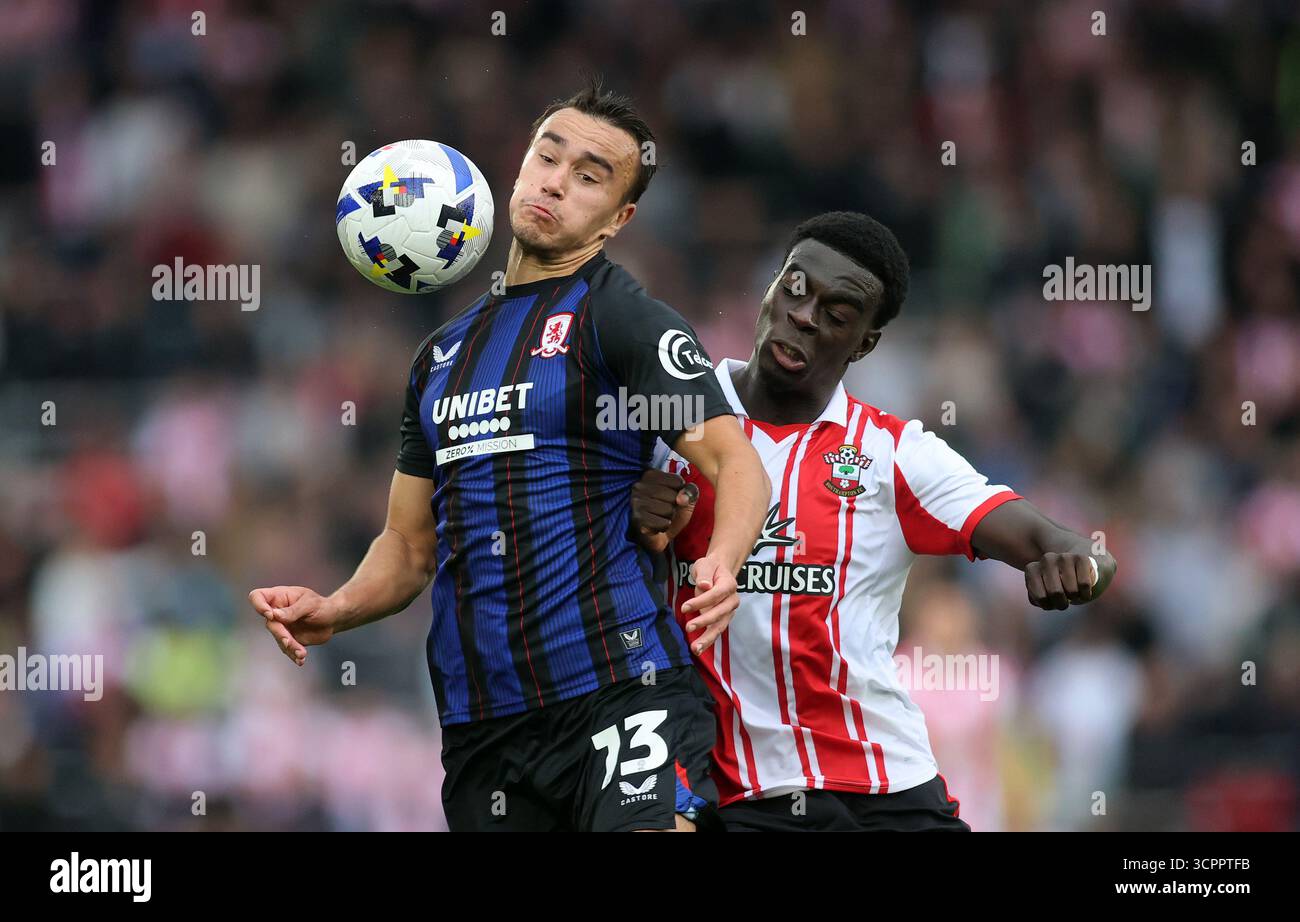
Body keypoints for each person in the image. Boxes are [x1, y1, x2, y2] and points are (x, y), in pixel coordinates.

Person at [248, 79, 770, 832]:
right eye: (546, 157)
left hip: (621, 691)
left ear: (618, 218)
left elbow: (734, 458)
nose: (556, 181)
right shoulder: (441, 356)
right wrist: (338, 606)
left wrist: (723, 558)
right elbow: (408, 543)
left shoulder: (618, 317)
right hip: (484, 727)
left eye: (589, 176)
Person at [631, 210, 1117, 831]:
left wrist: (1082, 565)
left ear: (864, 342)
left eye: (836, 315)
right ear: (772, 289)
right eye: (796, 290)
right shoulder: (670, 433)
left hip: (890, 785)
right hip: (745, 792)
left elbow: (1055, 540)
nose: (804, 317)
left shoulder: (893, 454)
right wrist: (634, 516)